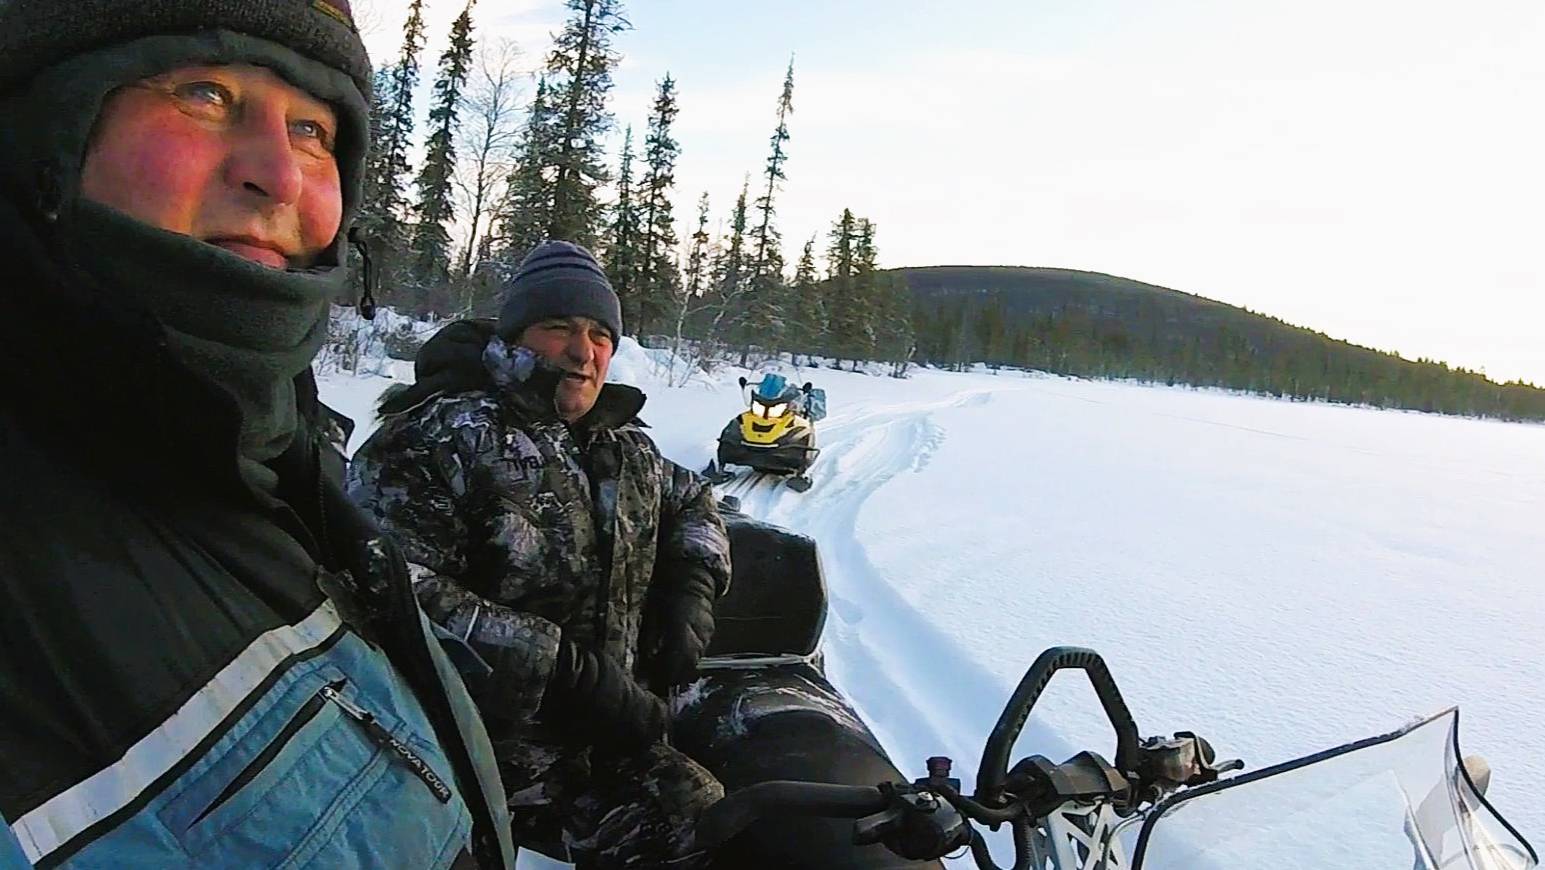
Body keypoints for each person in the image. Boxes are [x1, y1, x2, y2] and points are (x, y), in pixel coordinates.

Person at [0, 2, 516, 867]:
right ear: (45, 126)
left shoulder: (279, 458)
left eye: (314, 129)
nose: (280, 174)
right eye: (204, 92)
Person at [347, 241, 733, 869]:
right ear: (516, 337)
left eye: (600, 335)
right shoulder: (438, 437)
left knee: (738, 818)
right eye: (560, 329)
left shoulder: (622, 443)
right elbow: (390, 586)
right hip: (473, 749)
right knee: (689, 815)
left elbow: (695, 501)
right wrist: (564, 675)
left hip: (609, 734)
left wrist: (691, 584)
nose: (584, 353)